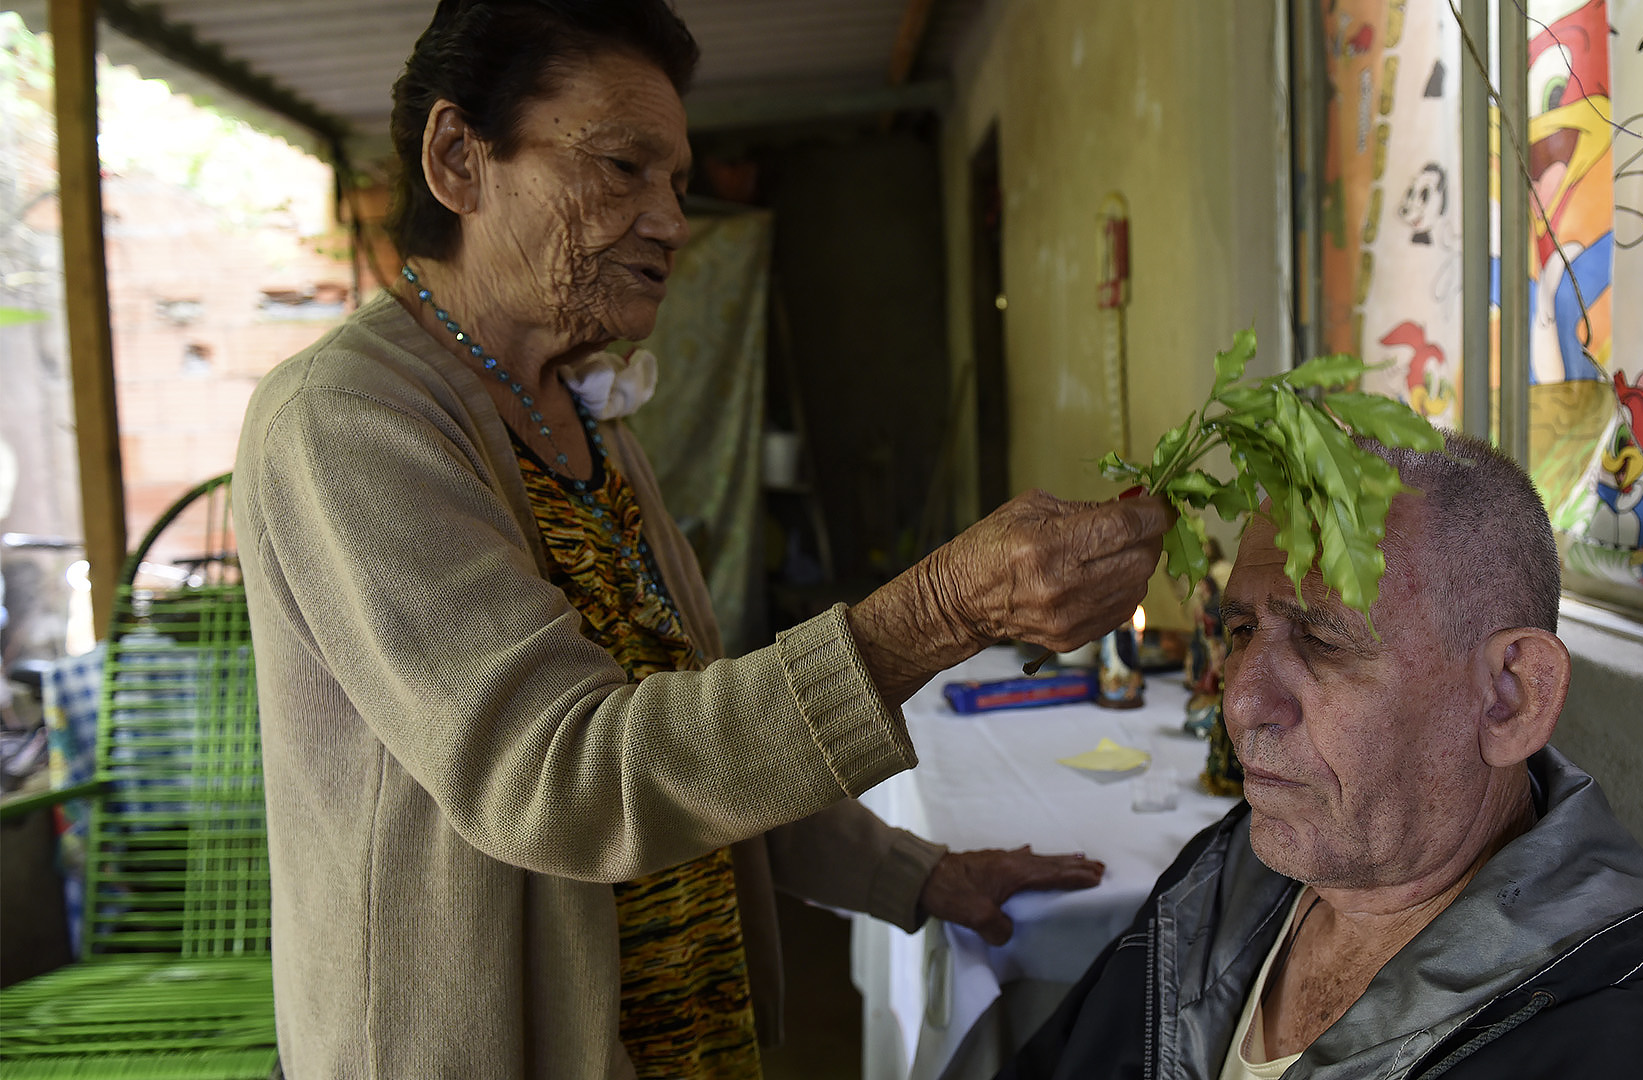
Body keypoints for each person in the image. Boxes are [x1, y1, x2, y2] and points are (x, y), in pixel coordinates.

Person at [230, 2, 1173, 1077]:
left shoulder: (582, 419)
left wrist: (917, 877)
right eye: (622, 166)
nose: (671, 220)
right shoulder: (347, 421)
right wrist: (938, 612)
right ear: (458, 159)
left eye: (675, 181)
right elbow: (563, 778)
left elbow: (694, 741)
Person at [997, 433, 1643, 1078]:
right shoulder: (1223, 882)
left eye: (1323, 641)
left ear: (1512, 698)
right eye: (1242, 632)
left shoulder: (1627, 1048)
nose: (1243, 702)